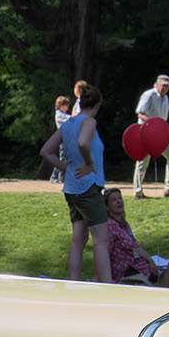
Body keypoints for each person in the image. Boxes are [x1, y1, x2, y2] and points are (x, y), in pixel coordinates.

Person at [42, 84, 111, 282]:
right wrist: (89, 163)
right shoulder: (89, 121)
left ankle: (73, 282)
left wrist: (67, 169)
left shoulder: (68, 124)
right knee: (101, 240)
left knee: (79, 238)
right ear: (97, 104)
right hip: (88, 187)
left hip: (72, 188)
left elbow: (46, 151)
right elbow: (82, 142)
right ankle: (108, 286)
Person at [133, 74, 169, 198]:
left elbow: (164, 119)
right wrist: (152, 124)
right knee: (143, 162)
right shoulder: (149, 95)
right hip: (145, 132)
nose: (165, 88)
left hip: (159, 134)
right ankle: (138, 191)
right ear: (157, 84)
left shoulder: (166, 99)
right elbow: (140, 113)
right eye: (163, 85)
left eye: (167, 86)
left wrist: (161, 129)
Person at [100, 188, 157, 283]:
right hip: (125, 272)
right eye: (114, 200)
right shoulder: (110, 226)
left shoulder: (124, 224)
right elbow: (105, 254)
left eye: (120, 198)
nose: (118, 202)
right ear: (107, 206)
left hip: (138, 266)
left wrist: (150, 260)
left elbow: (136, 245)